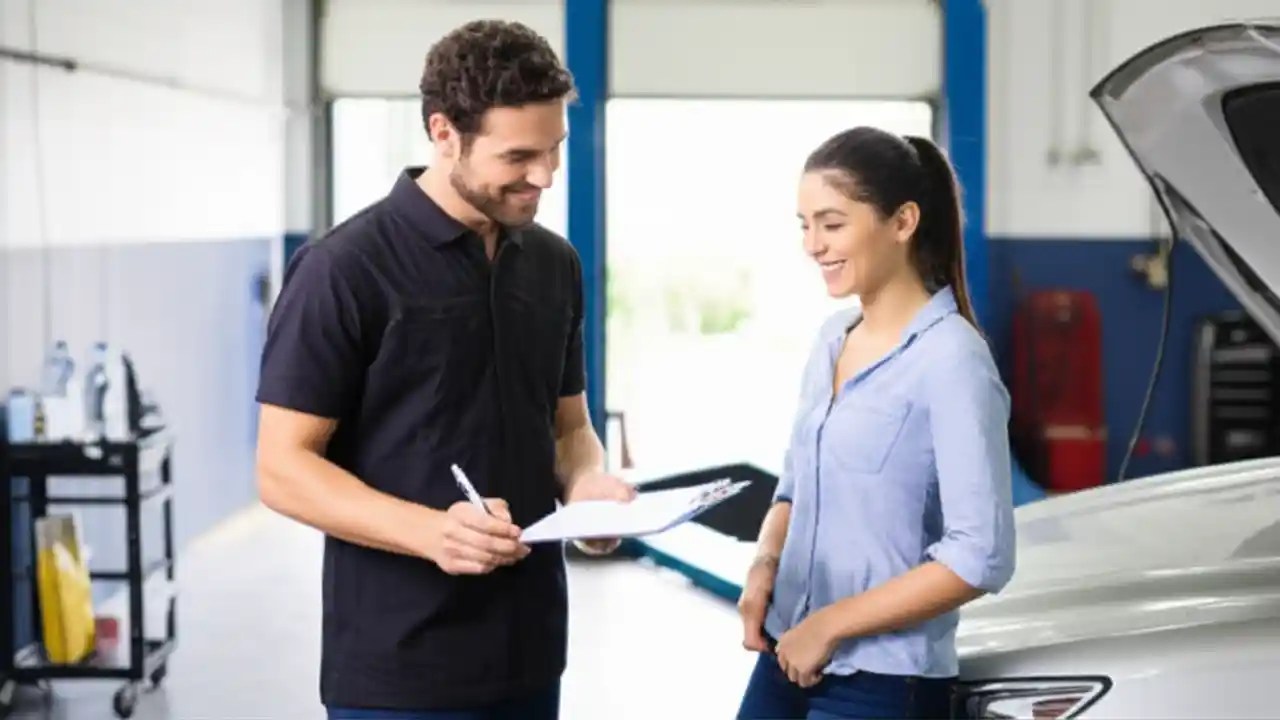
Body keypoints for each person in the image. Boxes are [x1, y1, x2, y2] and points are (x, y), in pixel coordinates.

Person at [253, 19, 635, 720]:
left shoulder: (554, 264)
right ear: (444, 133)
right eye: (518, 156)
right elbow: (282, 468)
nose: (544, 176)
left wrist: (586, 486)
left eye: (554, 150)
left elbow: (568, 425)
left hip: (530, 653)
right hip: (398, 671)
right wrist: (433, 533)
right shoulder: (343, 270)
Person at [734, 127, 1017, 720]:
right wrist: (765, 566)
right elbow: (792, 489)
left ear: (903, 221)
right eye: (804, 224)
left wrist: (832, 624)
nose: (813, 244)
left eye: (832, 224)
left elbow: (981, 555)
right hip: (785, 653)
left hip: (883, 682)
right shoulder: (831, 340)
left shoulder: (953, 360)